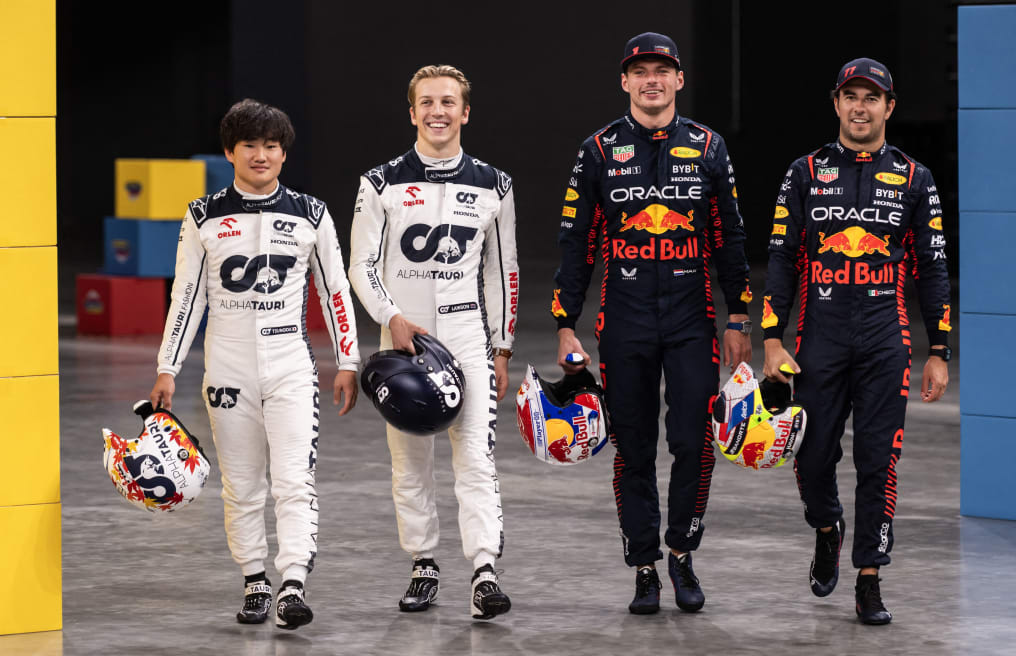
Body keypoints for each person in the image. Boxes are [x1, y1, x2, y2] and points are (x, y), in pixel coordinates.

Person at [552, 32, 753, 614]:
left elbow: (729, 236)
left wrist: (738, 313)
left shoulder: (709, 147)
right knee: (633, 447)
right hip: (626, 319)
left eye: (662, 69)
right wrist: (566, 322)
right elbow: (577, 243)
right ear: (625, 81)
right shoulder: (597, 149)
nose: (651, 80)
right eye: (640, 71)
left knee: (694, 442)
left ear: (679, 80)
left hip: (694, 318)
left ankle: (683, 555)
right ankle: (644, 567)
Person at [150, 98, 360, 631]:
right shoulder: (202, 215)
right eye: (250, 146)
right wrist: (167, 367)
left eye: (271, 146)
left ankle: (292, 585)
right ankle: (254, 581)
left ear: (284, 153)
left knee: (294, 479)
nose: (261, 155)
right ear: (230, 152)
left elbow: (335, 289)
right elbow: (187, 297)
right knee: (242, 485)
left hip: (292, 365)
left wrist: (348, 361)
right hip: (227, 369)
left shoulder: (312, 213)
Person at [761, 57, 951, 625]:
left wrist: (939, 350)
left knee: (878, 461)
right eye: (851, 97)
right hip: (817, 337)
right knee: (811, 454)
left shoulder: (916, 178)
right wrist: (772, 338)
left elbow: (934, 270)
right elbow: (780, 260)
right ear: (837, 103)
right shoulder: (804, 172)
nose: (860, 107)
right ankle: (826, 525)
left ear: (889, 107)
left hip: (884, 340)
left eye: (872, 98)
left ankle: (869, 576)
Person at [347, 64, 519, 620]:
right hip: (403, 339)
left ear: (466, 112)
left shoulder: (496, 184)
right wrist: (392, 317)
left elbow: (503, 271)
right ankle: (423, 564)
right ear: (412, 111)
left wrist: (501, 346)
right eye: (426, 102)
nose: (437, 111)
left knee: (476, 456)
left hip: (467, 336)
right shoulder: (380, 182)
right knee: (410, 460)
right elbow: (361, 266)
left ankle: (484, 571)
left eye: (448, 102)